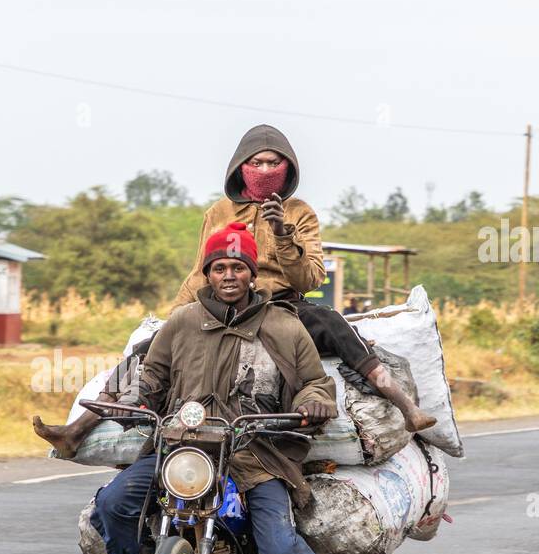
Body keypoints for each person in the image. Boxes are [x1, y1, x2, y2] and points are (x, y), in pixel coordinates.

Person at [32, 125, 434, 459]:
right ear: (240, 168)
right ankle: (78, 429)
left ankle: (406, 407)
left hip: (279, 307)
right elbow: (198, 271)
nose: (264, 169)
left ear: (287, 167)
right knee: (149, 349)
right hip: (221, 307)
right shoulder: (219, 213)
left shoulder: (300, 212)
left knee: (334, 325)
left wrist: (282, 233)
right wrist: (177, 318)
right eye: (255, 163)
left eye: (272, 162)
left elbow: (310, 278)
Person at [89, 221, 337, 554]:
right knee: (114, 505)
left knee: (282, 549)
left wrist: (314, 401)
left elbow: (315, 382)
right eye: (218, 267)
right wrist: (134, 398)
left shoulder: (283, 326)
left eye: (237, 267)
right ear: (206, 273)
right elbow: (152, 375)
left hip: (256, 456)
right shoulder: (182, 322)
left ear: (251, 275)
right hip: (182, 452)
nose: (228, 276)